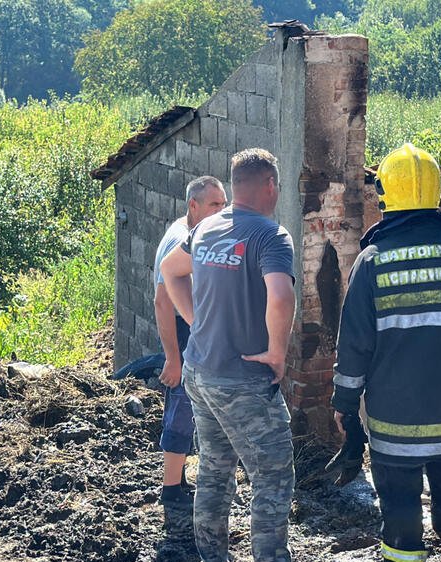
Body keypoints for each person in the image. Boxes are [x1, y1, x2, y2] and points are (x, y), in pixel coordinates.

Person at [331, 144, 441, 562]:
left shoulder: (373, 262)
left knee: (400, 511)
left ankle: (406, 555)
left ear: (385, 199)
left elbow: (354, 345)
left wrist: (343, 403)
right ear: (438, 196)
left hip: (395, 423)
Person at [160, 148, 296, 562]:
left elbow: (170, 270)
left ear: (234, 187)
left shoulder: (206, 229)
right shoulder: (271, 236)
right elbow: (281, 294)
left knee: (216, 469)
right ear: (270, 186)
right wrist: (277, 352)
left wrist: (196, 321)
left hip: (200, 372)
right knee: (272, 477)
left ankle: (211, 555)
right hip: (242, 380)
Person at [152, 176, 227, 533]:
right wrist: (173, 357)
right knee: (181, 404)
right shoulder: (179, 241)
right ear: (193, 206)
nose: (221, 211)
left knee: (189, 406)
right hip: (183, 333)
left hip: (195, 328)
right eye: (214, 204)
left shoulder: (201, 235)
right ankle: (170, 489)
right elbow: (162, 302)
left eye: (224, 204)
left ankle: (178, 481)